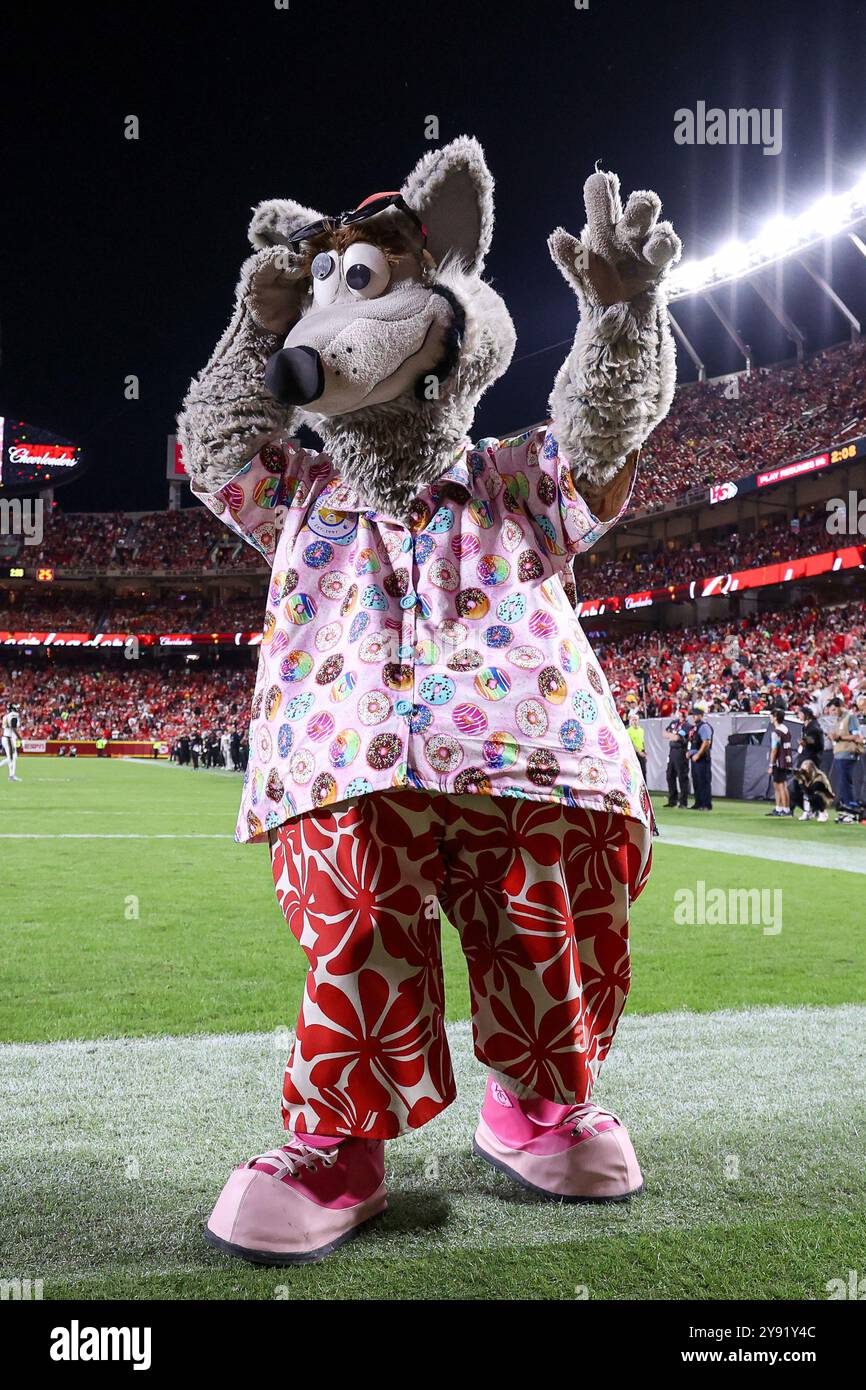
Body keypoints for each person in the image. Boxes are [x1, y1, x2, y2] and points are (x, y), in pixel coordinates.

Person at [178, 142, 680, 1262]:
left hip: (532, 759)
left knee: (549, 914)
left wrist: (621, 322)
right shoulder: (299, 497)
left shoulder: (511, 479)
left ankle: (538, 1104)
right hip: (348, 762)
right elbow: (218, 446)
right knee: (357, 918)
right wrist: (254, 328)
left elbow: (602, 440)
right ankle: (339, 1143)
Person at [827, 696, 863, 810]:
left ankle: (851, 809)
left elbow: (857, 736)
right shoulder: (839, 720)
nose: (832, 712)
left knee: (846, 782)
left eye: (834, 709)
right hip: (839, 753)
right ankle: (845, 808)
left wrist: (840, 737)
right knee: (842, 783)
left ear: (841, 707)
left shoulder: (850, 717)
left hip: (848, 753)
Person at [663, 706, 691, 807]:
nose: (682, 717)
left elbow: (677, 737)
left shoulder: (687, 726)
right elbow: (664, 733)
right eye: (681, 715)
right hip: (672, 751)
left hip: (681, 752)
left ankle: (683, 802)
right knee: (670, 775)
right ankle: (672, 800)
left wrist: (671, 736)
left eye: (683, 716)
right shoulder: (674, 722)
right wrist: (672, 736)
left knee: (682, 777)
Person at [767, 706, 792, 816]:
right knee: (781, 784)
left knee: (780, 785)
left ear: (775, 717)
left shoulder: (776, 732)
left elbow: (774, 749)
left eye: (771, 716)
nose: (770, 718)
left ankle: (784, 809)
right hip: (786, 759)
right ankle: (781, 808)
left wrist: (771, 764)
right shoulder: (785, 729)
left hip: (779, 761)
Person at [688, 705, 713, 810]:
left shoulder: (704, 726)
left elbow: (706, 742)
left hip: (702, 758)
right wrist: (690, 752)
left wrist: (698, 754)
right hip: (695, 758)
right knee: (696, 781)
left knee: (703, 781)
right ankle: (698, 802)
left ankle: (706, 804)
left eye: (696, 715)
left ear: (701, 716)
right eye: (693, 715)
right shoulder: (695, 727)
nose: (694, 717)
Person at [1, 702, 23, 782]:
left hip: (7, 737)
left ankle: (12, 775)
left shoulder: (6, 716)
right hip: (9, 738)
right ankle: (11, 776)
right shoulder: (13, 715)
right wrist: (20, 738)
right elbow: (13, 728)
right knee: (11, 757)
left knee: (13, 757)